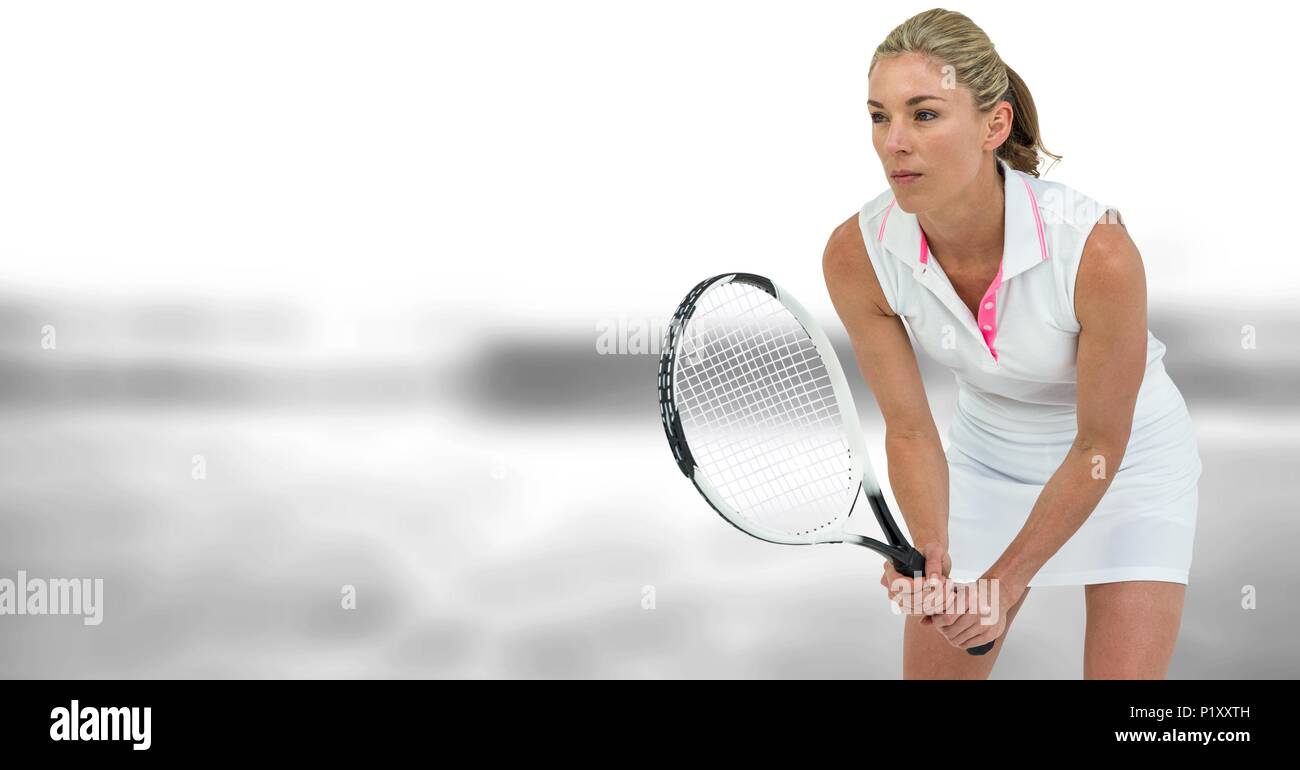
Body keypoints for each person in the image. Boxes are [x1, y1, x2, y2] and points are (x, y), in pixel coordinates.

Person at [821, 9, 1202, 679]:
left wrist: (1004, 581)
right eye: (879, 116)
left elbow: (1099, 446)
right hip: (985, 463)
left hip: (1127, 466)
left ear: (994, 125)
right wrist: (933, 556)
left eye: (925, 115)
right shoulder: (858, 254)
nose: (894, 143)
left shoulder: (1096, 252)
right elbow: (909, 431)